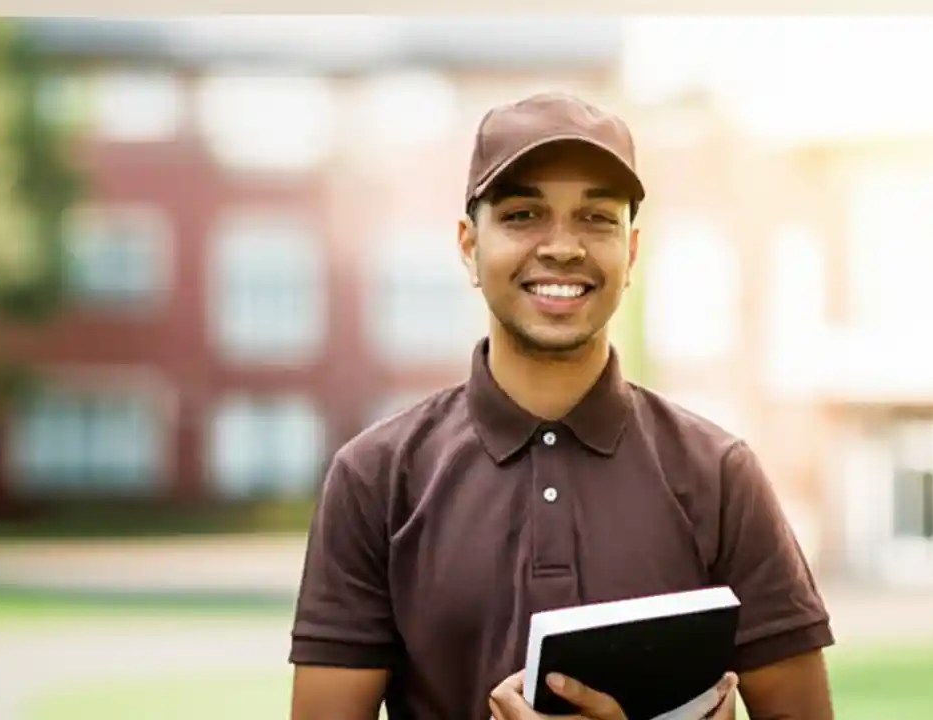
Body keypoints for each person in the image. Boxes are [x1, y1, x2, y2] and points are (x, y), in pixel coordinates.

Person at [289, 92, 835, 720]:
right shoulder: (376, 477)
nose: (563, 246)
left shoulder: (719, 473)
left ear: (630, 252)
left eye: (597, 218)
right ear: (469, 246)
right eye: (524, 214)